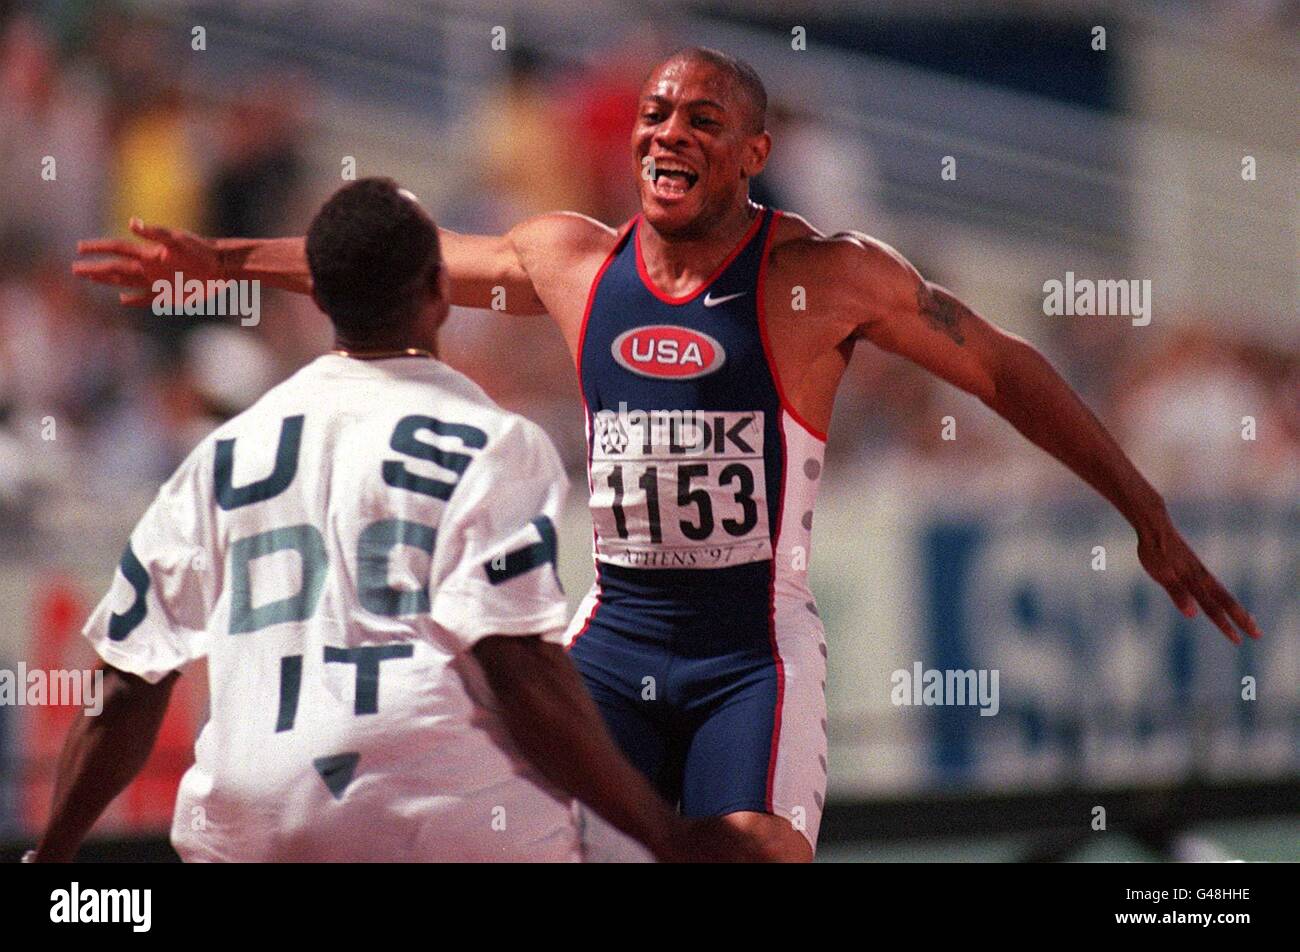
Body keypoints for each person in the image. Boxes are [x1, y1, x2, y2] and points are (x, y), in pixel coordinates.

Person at [72, 48, 1262, 862]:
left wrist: (1142, 510)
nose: (665, 133)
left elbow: (1003, 368)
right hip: (618, 632)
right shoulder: (574, 262)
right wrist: (221, 257)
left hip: (752, 652)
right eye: (652, 115)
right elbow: (397, 250)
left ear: (751, 155)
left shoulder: (816, 278)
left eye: (700, 119)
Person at [38, 177, 762, 862]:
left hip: (247, 832)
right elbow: (523, 676)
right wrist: (667, 838)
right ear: (441, 290)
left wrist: (55, 854)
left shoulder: (223, 453)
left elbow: (126, 684)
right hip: (440, 822)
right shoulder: (494, 442)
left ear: (317, 296)